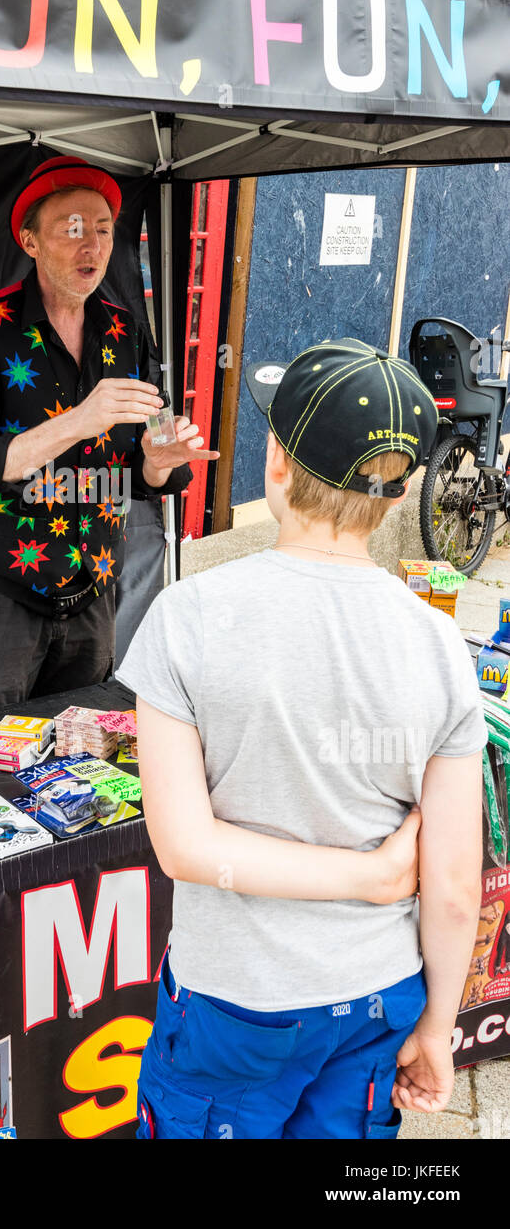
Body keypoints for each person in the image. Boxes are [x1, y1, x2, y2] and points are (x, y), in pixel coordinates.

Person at [117, 338, 486, 1139]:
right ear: (396, 495)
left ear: (276, 463)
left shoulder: (189, 615)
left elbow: (184, 847)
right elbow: (456, 887)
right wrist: (437, 1031)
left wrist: (376, 879)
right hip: (379, 1000)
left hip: (237, 1000)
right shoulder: (438, 645)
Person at [0, 155, 219, 708]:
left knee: (84, 761)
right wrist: (81, 420)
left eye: (104, 231)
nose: (93, 246)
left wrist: (163, 458)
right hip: (1, 588)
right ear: (30, 241)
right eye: (72, 230)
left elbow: (150, 467)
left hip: (93, 589)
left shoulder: (127, 330)